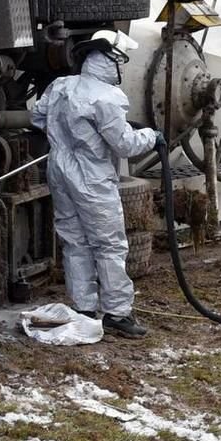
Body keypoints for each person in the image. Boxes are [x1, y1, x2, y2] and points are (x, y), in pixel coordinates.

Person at [29, 29, 162, 338]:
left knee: (74, 239)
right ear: (110, 61)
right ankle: (117, 313)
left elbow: (37, 117)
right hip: (91, 175)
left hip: (59, 169)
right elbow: (124, 144)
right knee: (109, 244)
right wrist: (152, 137)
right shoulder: (108, 96)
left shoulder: (61, 85)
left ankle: (84, 308)